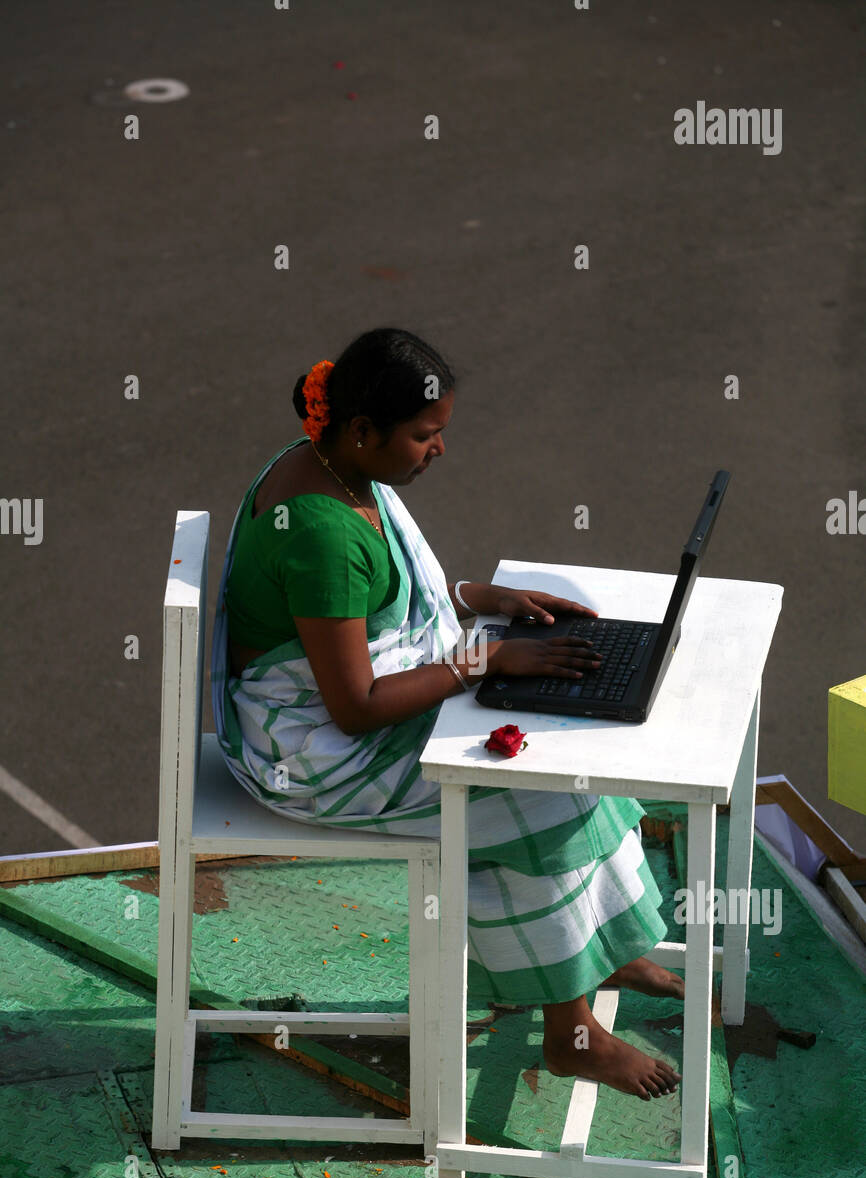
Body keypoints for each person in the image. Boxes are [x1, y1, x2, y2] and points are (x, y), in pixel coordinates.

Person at [211, 327, 682, 1101]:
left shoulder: (337, 467)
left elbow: (380, 614)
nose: (439, 451)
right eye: (425, 436)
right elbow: (356, 708)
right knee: (536, 792)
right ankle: (570, 1034)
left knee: (570, 753)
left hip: (348, 712)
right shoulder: (321, 535)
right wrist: (482, 659)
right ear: (363, 432)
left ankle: (594, 950)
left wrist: (478, 602)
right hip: (315, 756)